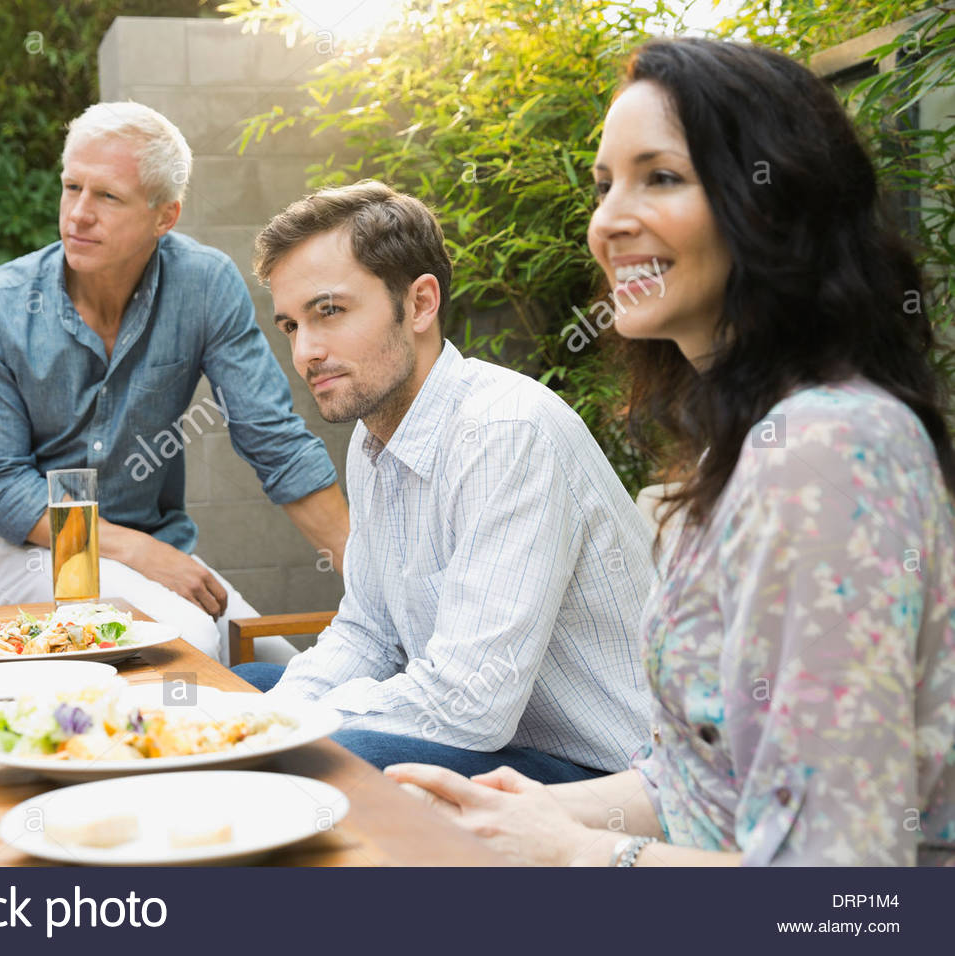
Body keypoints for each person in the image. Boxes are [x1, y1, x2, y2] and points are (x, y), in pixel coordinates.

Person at [388, 38, 955, 866]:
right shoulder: (737, 449)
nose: (608, 221)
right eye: (605, 183)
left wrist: (577, 853)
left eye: (661, 177)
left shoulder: (829, 451)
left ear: (772, 201)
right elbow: (697, 783)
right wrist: (502, 810)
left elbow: (848, 903)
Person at [235, 181, 654, 781]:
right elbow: (370, 634)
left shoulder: (505, 433)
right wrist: (264, 718)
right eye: (291, 326)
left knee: (337, 763)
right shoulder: (372, 438)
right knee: (249, 689)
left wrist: (285, 730)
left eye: (329, 311)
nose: (306, 351)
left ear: (421, 303)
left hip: (603, 770)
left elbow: (470, 701)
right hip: (499, 739)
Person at [0, 102, 348, 664]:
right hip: (33, 552)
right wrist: (137, 550)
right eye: (71, 187)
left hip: (156, 551)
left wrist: (369, 576)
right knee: (189, 642)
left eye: (107, 196)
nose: (78, 214)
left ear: (166, 216)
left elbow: (273, 438)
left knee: (288, 670)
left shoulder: (203, 284)